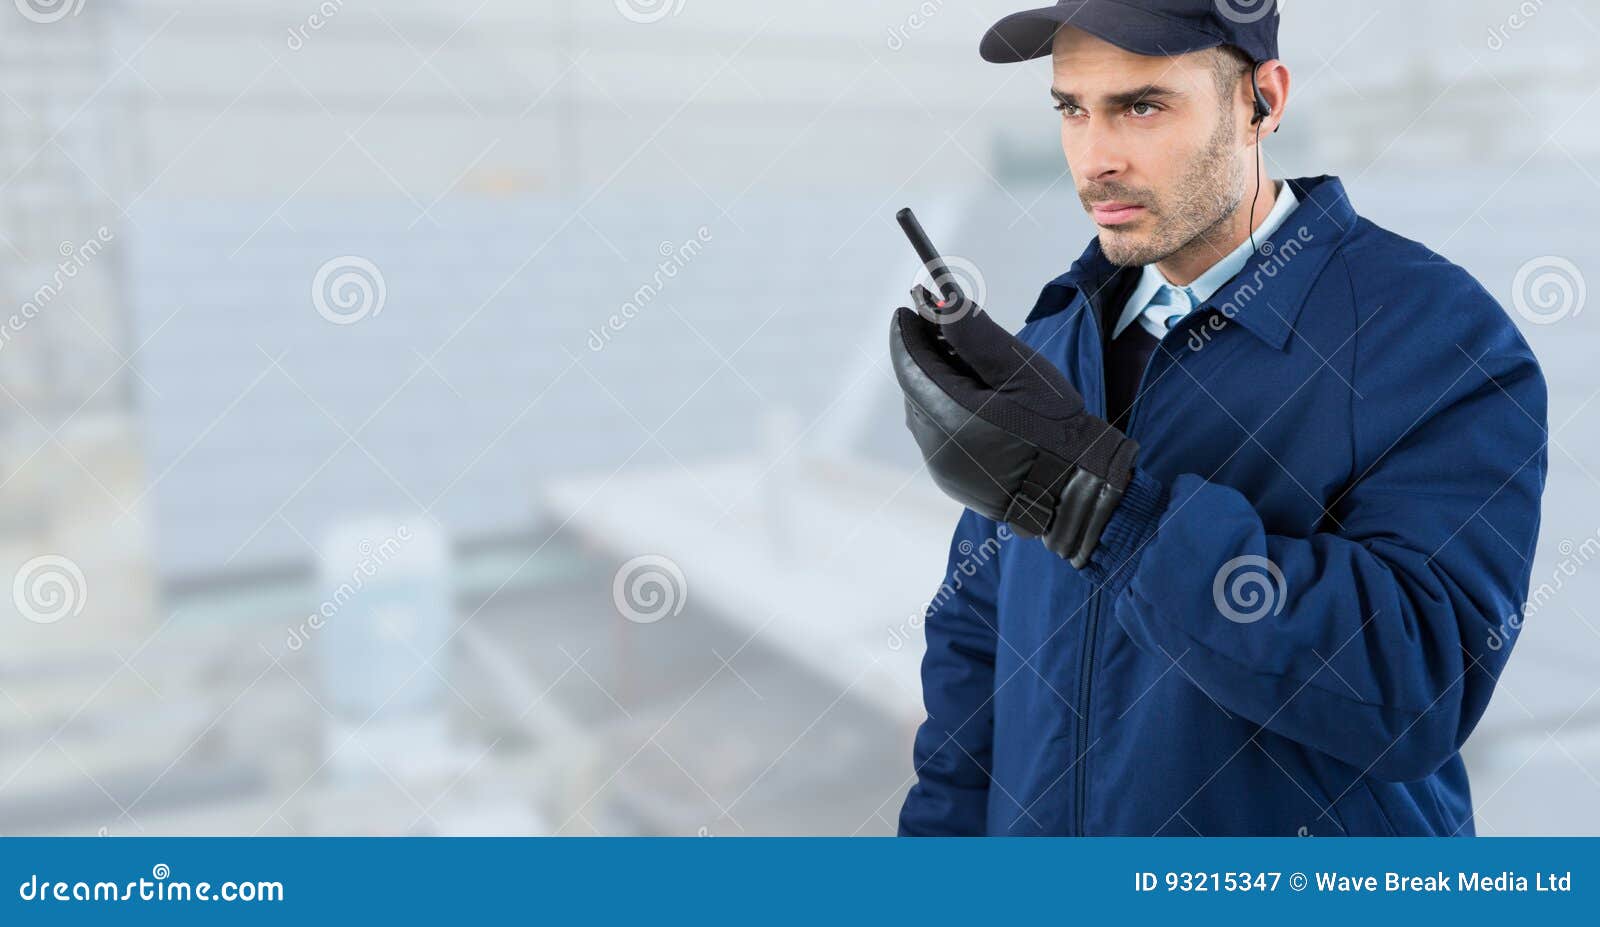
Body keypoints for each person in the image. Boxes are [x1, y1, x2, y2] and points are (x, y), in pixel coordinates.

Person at [890, 0, 1548, 836]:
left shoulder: (1432, 333)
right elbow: (974, 654)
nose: (1094, 158)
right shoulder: (1049, 344)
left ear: (1262, 102)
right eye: (1071, 109)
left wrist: (1106, 512)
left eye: (1143, 105)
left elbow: (1419, 684)